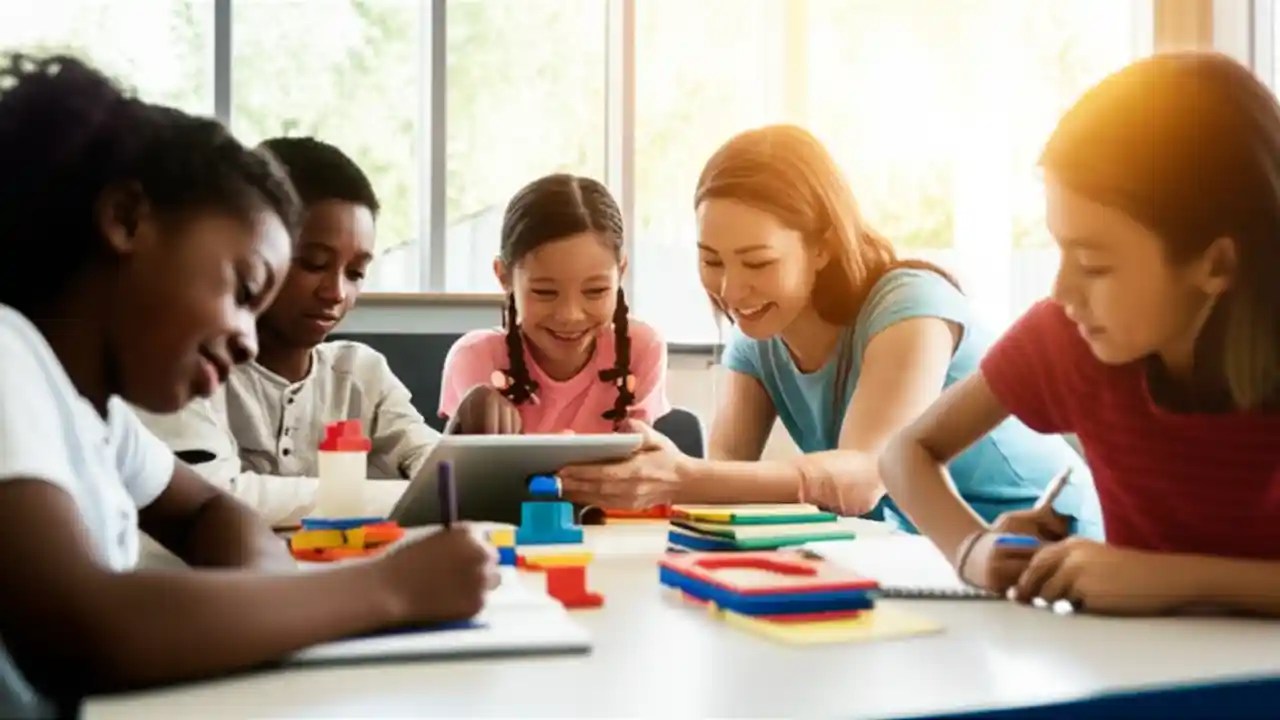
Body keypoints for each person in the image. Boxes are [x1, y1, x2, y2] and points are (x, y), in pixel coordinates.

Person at [0, 54, 494, 711]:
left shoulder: (98, 419)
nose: (248, 337)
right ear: (126, 220)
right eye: (241, 290)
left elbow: (211, 510)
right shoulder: (8, 356)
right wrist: (389, 589)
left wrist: (266, 604)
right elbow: (85, 626)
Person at [880, 52, 1280, 616]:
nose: (1062, 289)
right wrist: (973, 549)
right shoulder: (1068, 338)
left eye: (1094, 264)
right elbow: (905, 451)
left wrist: (1170, 579)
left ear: (1215, 266)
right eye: (1059, 248)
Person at [558, 125, 1099, 538]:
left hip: (1045, 538)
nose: (732, 290)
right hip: (925, 557)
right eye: (711, 260)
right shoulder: (758, 335)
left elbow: (866, 477)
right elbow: (722, 475)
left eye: (757, 262)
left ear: (822, 246)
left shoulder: (911, 305)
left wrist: (682, 478)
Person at [137, 136, 440, 527]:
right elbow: (218, 495)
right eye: (313, 263)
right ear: (255, 250)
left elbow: (434, 463)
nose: (335, 292)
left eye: (355, 273)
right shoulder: (192, 368)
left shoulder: (360, 372)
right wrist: (412, 494)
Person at [439, 173, 671, 435]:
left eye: (595, 291)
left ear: (621, 272)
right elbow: (461, 470)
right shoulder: (476, 359)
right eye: (545, 292)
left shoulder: (638, 349)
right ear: (504, 276)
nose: (570, 315)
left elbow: (640, 461)